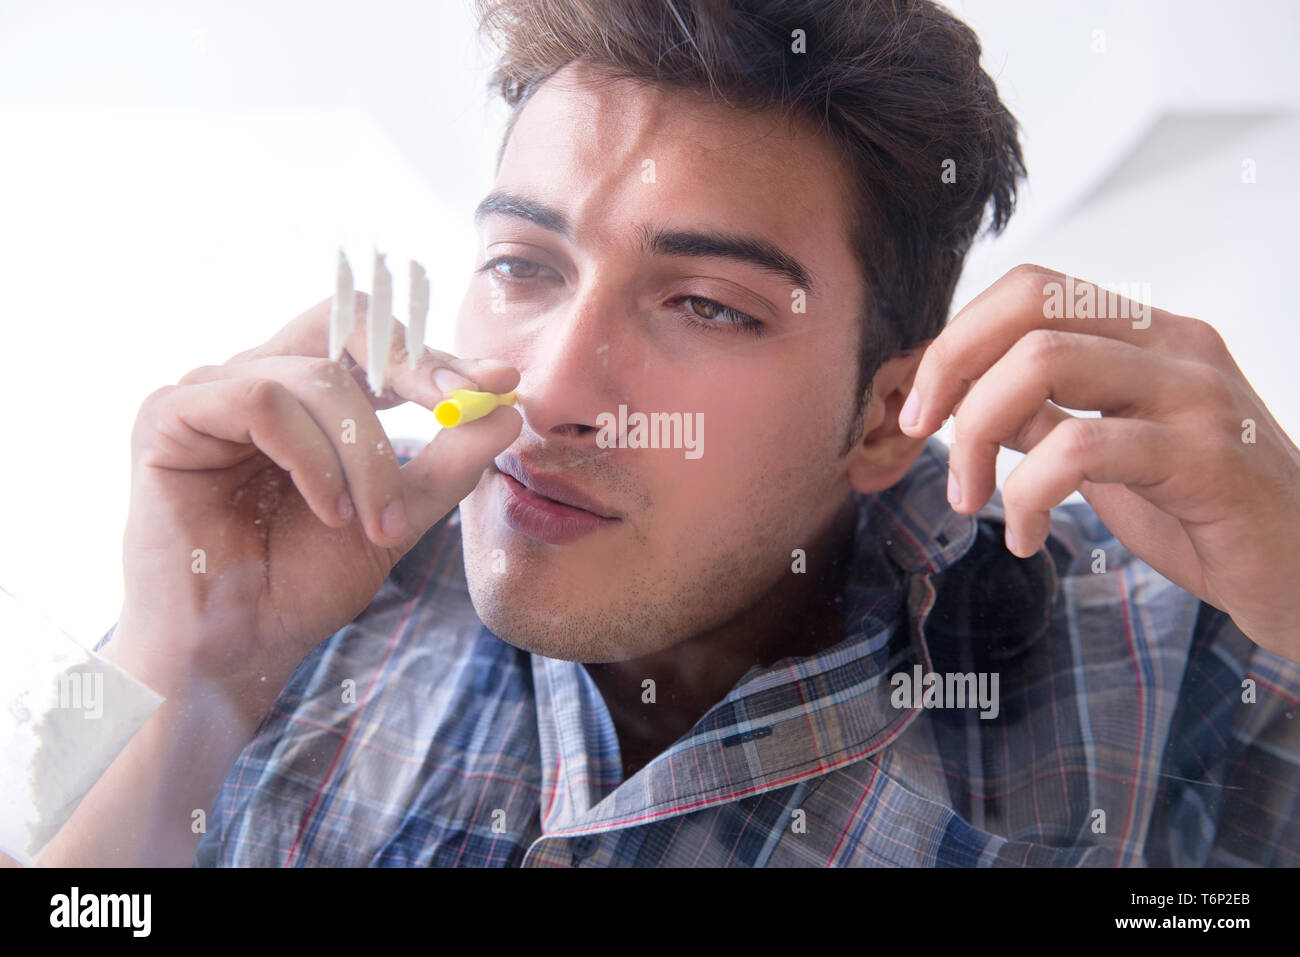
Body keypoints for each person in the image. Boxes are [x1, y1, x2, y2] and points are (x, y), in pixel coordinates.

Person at [23, 0, 1300, 867]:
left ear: (881, 418)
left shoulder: (1178, 656)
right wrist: (182, 667)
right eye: (523, 265)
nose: (558, 389)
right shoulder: (292, 562)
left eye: (705, 304)